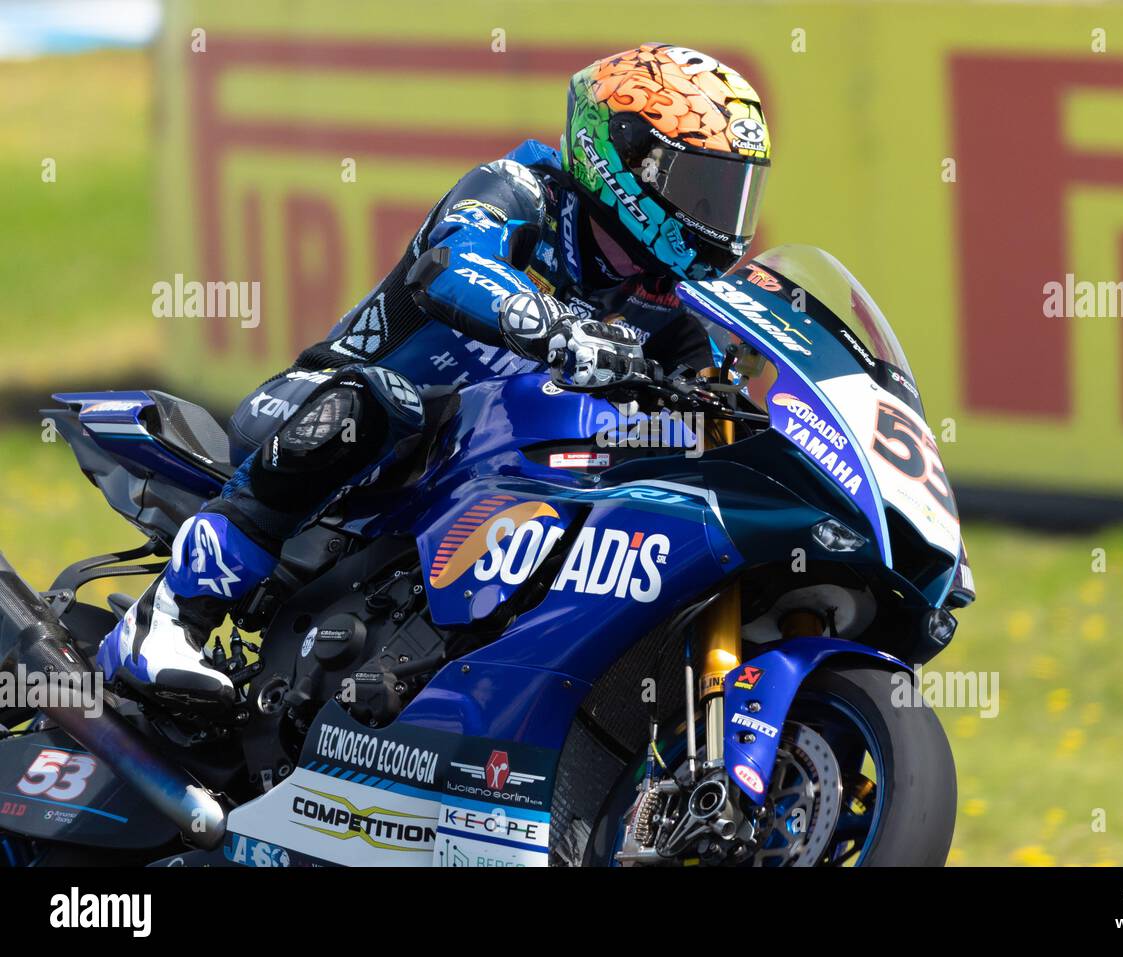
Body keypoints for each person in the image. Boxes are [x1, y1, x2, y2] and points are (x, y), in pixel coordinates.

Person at [96, 43, 772, 710]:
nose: (718, 216)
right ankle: (172, 615)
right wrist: (563, 332)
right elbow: (453, 265)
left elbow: (710, 393)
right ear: (620, 156)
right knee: (383, 401)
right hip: (328, 412)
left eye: (732, 194)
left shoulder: (668, 301)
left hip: (466, 485)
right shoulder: (522, 190)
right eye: (702, 187)